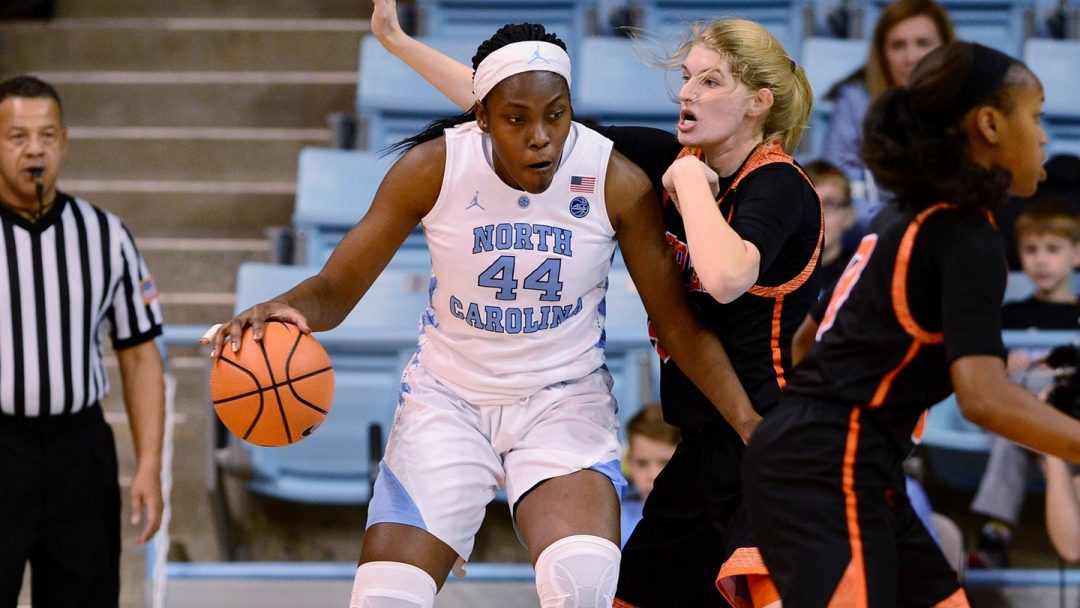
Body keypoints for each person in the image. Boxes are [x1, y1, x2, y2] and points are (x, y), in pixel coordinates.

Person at [204, 23, 757, 608]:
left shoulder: (614, 180)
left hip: (561, 401)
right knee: (384, 599)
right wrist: (284, 308)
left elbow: (676, 325)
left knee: (584, 586)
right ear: (483, 117)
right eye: (517, 119)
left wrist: (750, 423)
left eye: (556, 114)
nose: (541, 137)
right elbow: (337, 289)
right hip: (449, 401)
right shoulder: (433, 168)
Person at [368, 5, 822, 606]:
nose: (687, 92)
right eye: (687, 76)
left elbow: (725, 277)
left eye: (711, 81)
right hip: (705, 443)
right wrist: (397, 42)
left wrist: (686, 186)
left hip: (772, 434)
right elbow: (516, 111)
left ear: (759, 103)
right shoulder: (669, 159)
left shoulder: (778, 185)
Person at [741, 41, 1080, 607]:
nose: (1044, 134)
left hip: (850, 467)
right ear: (991, 124)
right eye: (1036, 115)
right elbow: (985, 399)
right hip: (831, 470)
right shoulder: (964, 235)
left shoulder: (901, 217)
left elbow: (808, 342)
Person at [0, 75, 165, 606]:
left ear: (64, 142)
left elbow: (140, 356)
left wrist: (147, 464)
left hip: (79, 450)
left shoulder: (106, 235)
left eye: (47, 136)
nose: (34, 150)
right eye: (18, 136)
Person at [967, 199, 1080, 568]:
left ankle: (997, 531)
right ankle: (996, 535)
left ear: (1076, 254)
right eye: (1031, 250)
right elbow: (987, 376)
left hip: (1068, 411)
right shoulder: (1010, 314)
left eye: (1052, 250)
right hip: (1025, 411)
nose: (1041, 260)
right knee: (1012, 420)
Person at [823, 0, 955, 237]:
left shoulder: (968, 104)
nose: (911, 57)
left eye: (923, 43)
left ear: (946, 49)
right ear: (882, 54)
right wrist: (903, 227)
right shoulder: (854, 102)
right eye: (898, 45)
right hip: (875, 235)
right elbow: (837, 192)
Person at [621, 403, 680, 548]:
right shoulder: (615, 521)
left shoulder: (704, 522)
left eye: (665, 463)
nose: (653, 475)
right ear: (628, 463)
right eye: (642, 463)